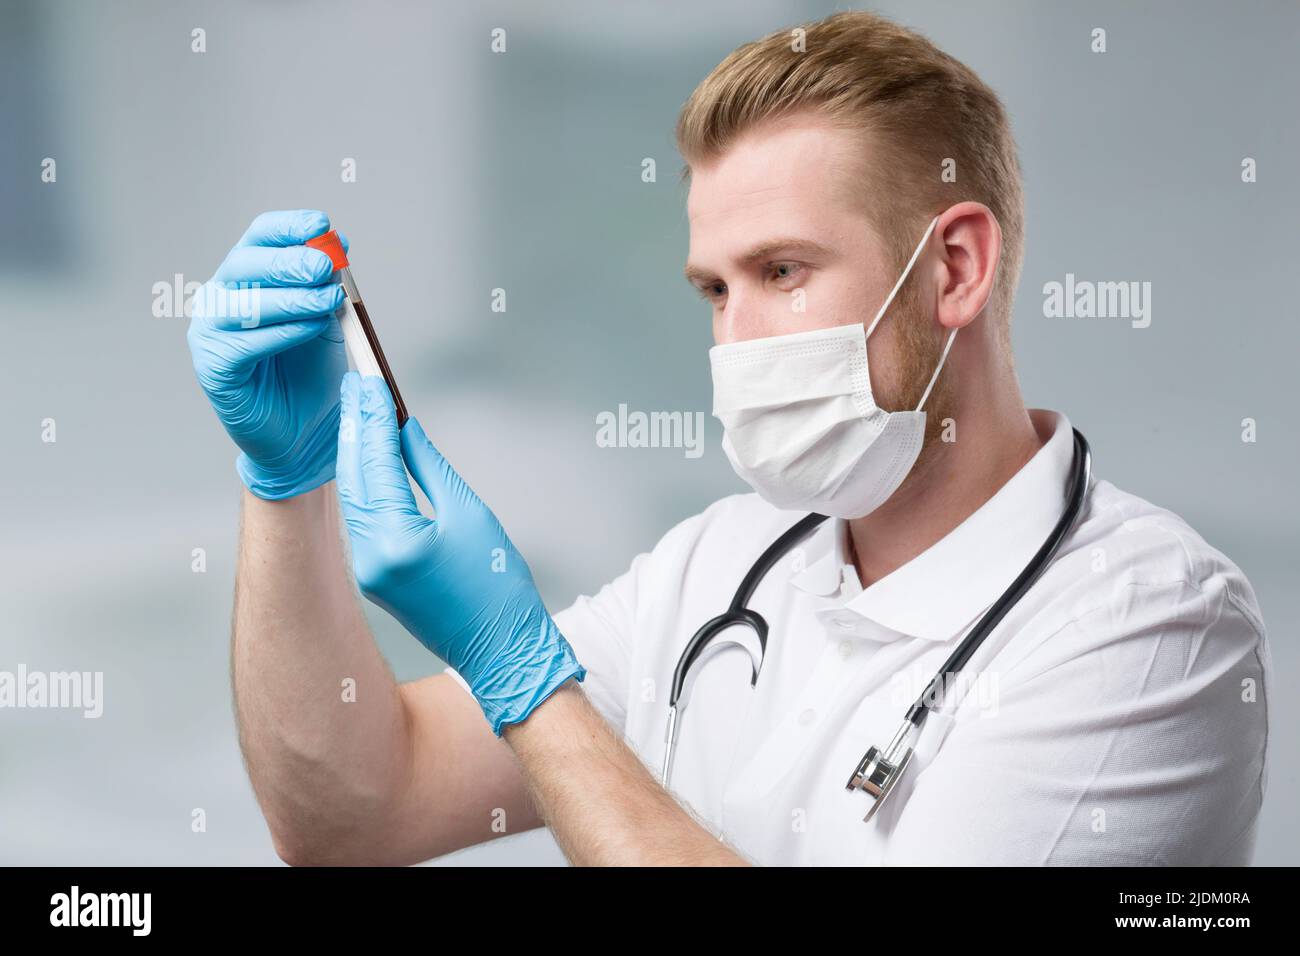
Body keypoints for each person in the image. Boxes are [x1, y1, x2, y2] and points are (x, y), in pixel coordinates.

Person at [186, 11, 1270, 866]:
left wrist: (520, 673)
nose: (733, 336)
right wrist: (287, 486)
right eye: (714, 287)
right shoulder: (718, 564)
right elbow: (353, 813)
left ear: (954, 270)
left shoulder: (1150, 624)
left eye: (782, 271)